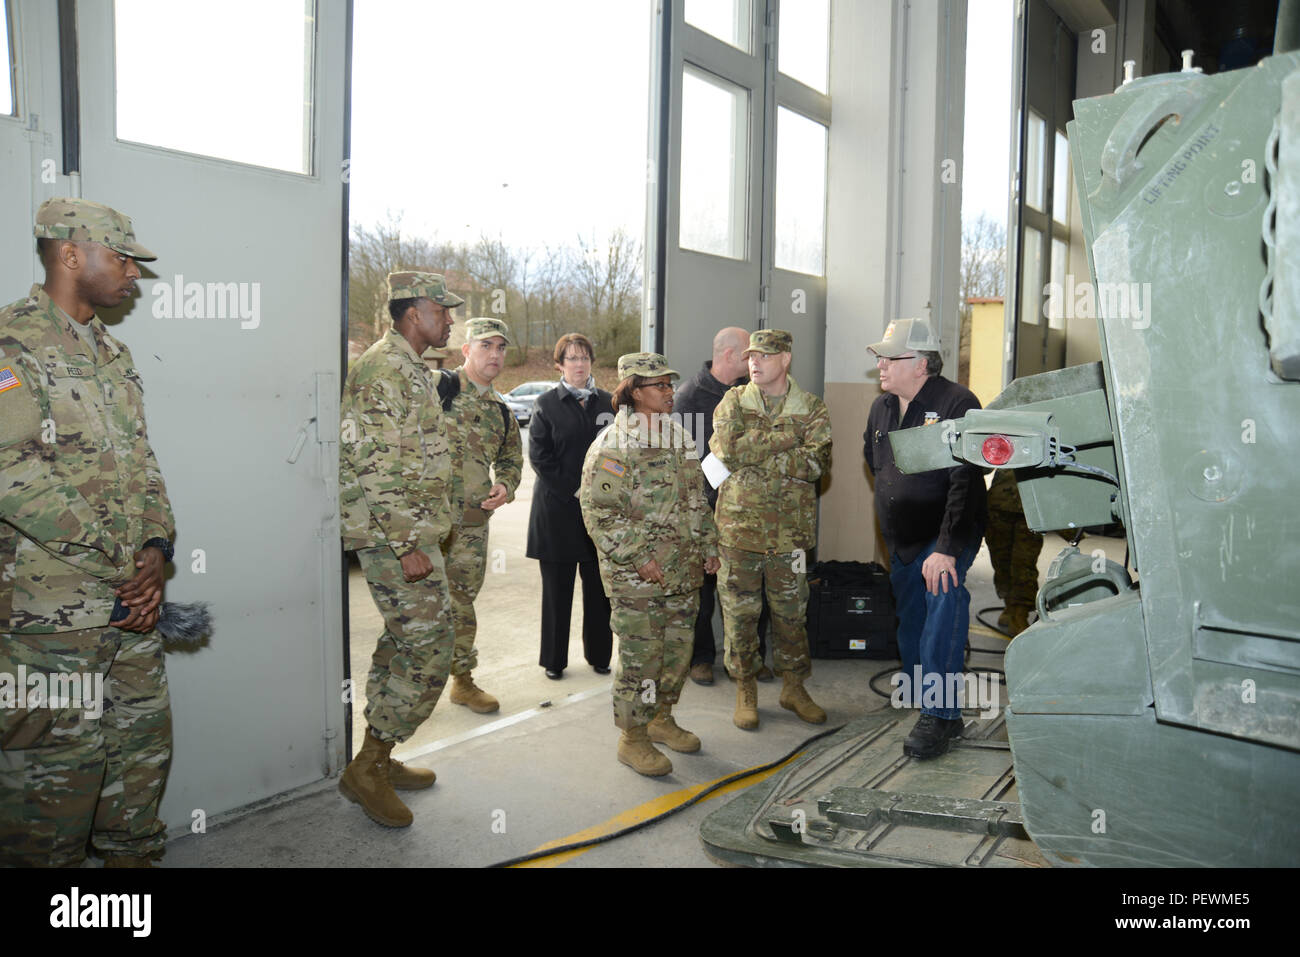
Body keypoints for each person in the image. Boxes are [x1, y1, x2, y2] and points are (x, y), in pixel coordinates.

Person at [0, 197, 175, 867]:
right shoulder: (13, 343)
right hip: (51, 624)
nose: (132, 272)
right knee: (52, 800)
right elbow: (16, 478)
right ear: (70, 254)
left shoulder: (112, 352)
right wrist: (121, 563)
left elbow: (144, 464)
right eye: (122, 257)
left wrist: (155, 549)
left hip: (130, 612)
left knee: (138, 764)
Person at [338, 270, 461, 827]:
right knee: (432, 647)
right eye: (444, 310)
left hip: (410, 533)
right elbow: (373, 462)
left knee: (401, 644)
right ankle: (368, 765)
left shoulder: (412, 370)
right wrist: (408, 541)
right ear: (414, 313)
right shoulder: (384, 370)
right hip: (396, 539)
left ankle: (377, 758)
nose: (451, 320)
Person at [580, 353, 718, 776]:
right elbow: (599, 512)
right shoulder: (613, 444)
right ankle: (633, 737)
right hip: (637, 577)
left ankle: (661, 718)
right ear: (635, 391)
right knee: (642, 659)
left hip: (683, 570)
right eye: (658, 385)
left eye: (669, 383)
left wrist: (709, 544)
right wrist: (640, 557)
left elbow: (697, 495)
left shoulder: (677, 435)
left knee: (677, 652)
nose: (668, 390)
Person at [863, 318, 987, 759]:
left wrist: (947, 550)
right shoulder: (882, 408)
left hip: (944, 537)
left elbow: (967, 481)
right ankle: (920, 689)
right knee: (911, 618)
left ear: (919, 363)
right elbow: (874, 463)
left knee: (942, 607)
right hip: (901, 539)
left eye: (888, 357)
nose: (879, 364)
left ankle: (942, 715)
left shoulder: (957, 403)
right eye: (878, 356)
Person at [710, 329, 832, 731]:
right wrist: (784, 441)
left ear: (785, 358)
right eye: (750, 356)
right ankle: (746, 689)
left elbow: (815, 466)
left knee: (791, 616)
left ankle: (793, 687)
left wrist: (757, 453)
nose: (754, 362)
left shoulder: (812, 408)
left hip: (790, 537)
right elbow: (726, 450)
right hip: (738, 533)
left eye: (764, 355)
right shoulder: (733, 401)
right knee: (740, 617)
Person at [674, 327, 773, 687]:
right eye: (748, 354)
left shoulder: (754, 394)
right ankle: (701, 658)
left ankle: (751, 657)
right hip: (706, 509)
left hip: (747, 510)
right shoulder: (689, 397)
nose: (754, 361)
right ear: (730, 355)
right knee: (702, 587)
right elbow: (687, 461)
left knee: (752, 588)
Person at [440, 318, 524, 713]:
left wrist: (506, 484)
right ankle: (407, 690)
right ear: (466, 351)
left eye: (501, 347)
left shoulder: (502, 411)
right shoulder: (436, 390)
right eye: (486, 346)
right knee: (414, 605)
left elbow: (511, 459)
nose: (494, 355)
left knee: (461, 603)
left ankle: (462, 680)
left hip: (470, 527)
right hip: (423, 523)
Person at [526, 333, 614, 679]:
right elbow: (539, 457)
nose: (579, 364)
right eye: (572, 358)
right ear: (560, 365)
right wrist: (575, 491)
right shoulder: (546, 404)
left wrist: (601, 492)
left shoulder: (609, 403)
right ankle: (554, 661)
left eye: (584, 358)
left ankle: (600, 655)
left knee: (598, 591)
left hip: (600, 514)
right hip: (557, 512)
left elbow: (616, 454)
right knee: (557, 593)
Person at [984, 470, 1041, 637]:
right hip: (999, 504)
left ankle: (1020, 614)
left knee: (1024, 564)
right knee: (1001, 562)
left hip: (1030, 508)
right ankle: (1010, 605)